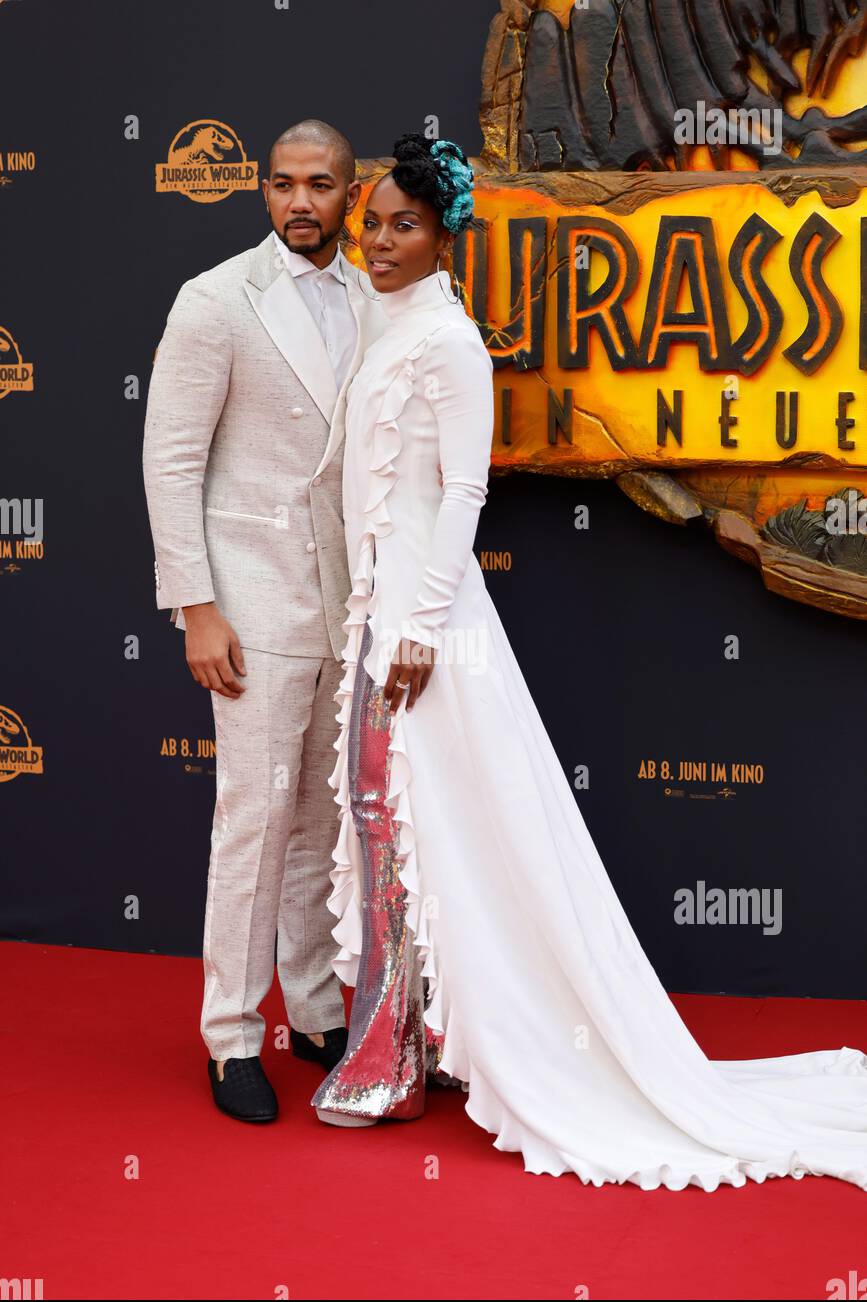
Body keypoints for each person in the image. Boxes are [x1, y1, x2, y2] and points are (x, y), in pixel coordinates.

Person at [310, 131, 867, 1193]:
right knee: (388, 824)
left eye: (403, 226)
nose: (378, 241)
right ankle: (399, 1045)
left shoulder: (450, 344)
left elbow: (462, 496)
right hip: (382, 612)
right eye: (371, 222)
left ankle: (394, 1058)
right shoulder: (386, 327)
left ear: (443, 236)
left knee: (403, 819)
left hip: (430, 627)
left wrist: (422, 629)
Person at [142, 119, 386, 1123]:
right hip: (250, 597)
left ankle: (319, 1010)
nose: (299, 201)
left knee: (319, 823)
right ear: (262, 190)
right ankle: (234, 1035)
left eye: (319, 184)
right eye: (282, 183)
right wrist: (196, 606)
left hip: (347, 605)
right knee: (254, 817)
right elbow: (172, 461)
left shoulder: (380, 299)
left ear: (349, 192)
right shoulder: (213, 302)